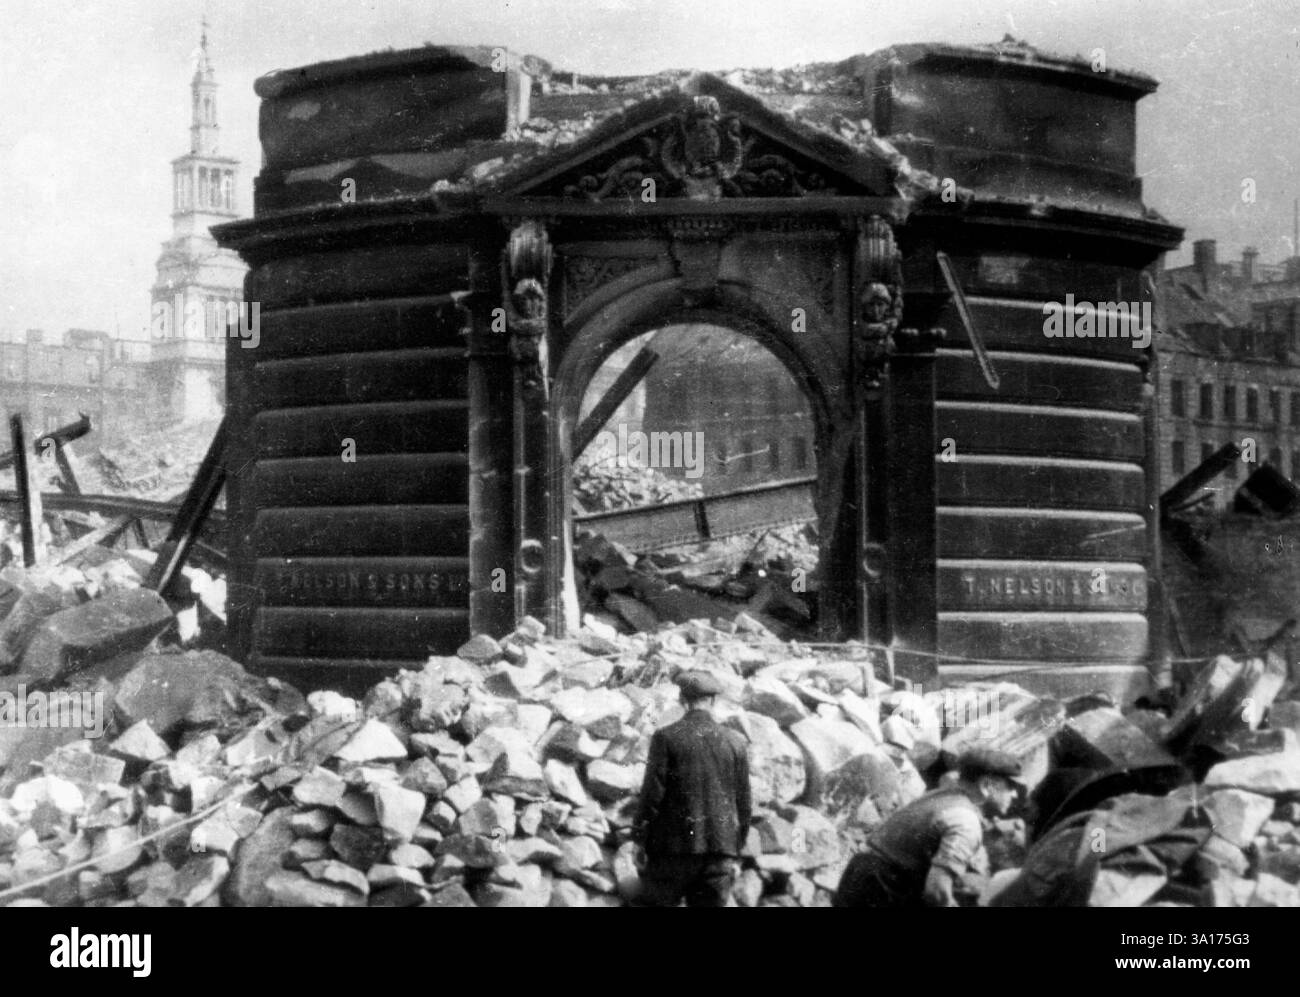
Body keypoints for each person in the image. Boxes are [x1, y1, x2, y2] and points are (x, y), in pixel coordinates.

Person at [834, 746, 1025, 907]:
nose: (1014, 795)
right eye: (1010, 786)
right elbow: (936, 891)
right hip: (882, 886)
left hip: (862, 872)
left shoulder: (942, 796)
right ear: (987, 785)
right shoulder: (966, 821)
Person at [631, 669, 752, 907]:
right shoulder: (735, 742)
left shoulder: (666, 737)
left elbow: (652, 795)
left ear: (682, 700)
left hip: (672, 851)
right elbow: (744, 804)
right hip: (719, 852)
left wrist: (638, 837)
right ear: (714, 701)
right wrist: (737, 846)